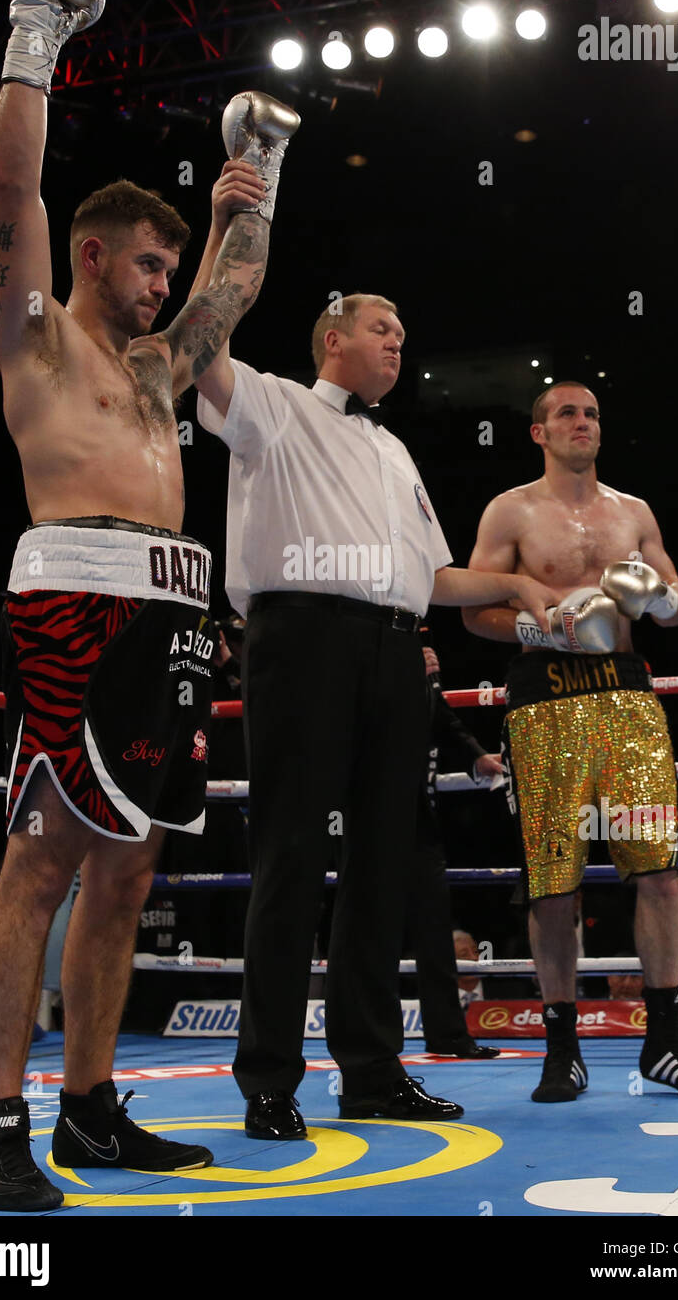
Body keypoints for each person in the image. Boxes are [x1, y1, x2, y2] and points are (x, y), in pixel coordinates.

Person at [0, 0, 297, 1210]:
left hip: (173, 613)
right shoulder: (35, 337)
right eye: (149, 265)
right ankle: (1, 1126)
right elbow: (10, 185)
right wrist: (35, 34)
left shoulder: (162, 370)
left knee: (131, 865)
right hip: (74, 595)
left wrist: (253, 175)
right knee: (41, 862)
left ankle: (91, 1108)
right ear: (92, 257)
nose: (169, 288)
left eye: (174, 264)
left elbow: (241, 286)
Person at [195, 291, 555, 1138]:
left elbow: (434, 579)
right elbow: (202, 346)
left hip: (397, 648)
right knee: (290, 853)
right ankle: (270, 1080)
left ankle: (370, 1071)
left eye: (404, 332)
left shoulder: (394, 449)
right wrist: (235, 217)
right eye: (382, 328)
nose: (398, 343)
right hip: (299, 637)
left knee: (383, 865)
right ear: (331, 338)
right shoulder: (272, 405)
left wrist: (515, 583)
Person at [462, 379, 678, 1102]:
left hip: (626, 700)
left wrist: (656, 596)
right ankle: (561, 1048)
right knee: (553, 884)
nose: (581, 423)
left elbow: (675, 607)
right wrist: (533, 621)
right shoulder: (510, 509)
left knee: (660, 870)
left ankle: (666, 1041)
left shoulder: (633, 512)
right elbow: (471, 610)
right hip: (543, 704)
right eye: (565, 414)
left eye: (591, 414)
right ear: (538, 433)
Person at [407, 646, 501, 1057]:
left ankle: (447, 1034)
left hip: (417, 813)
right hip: (365, 808)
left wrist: (475, 756)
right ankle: (367, 1042)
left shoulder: (413, 656)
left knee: (434, 924)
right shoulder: (362, 650)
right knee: (366, 926)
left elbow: (438, 713)